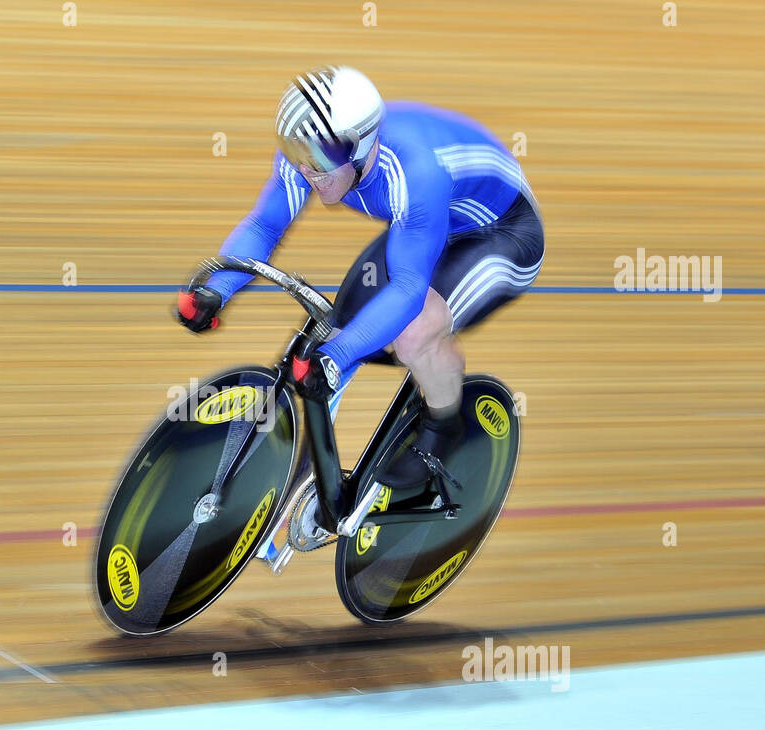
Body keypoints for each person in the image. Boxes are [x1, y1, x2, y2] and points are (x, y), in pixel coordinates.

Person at [175, 65, 544, 490]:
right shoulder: (309, 151)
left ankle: (444, 432)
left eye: (320, 160)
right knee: (339, 323)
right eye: (297, 153)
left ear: (361, 143)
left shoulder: (413, 171)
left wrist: (335, 358)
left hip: (502, 233)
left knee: (410, 333)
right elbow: (264, 227)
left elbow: (408, 289)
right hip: (428, 223)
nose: (308, 171)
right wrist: (216, 289)